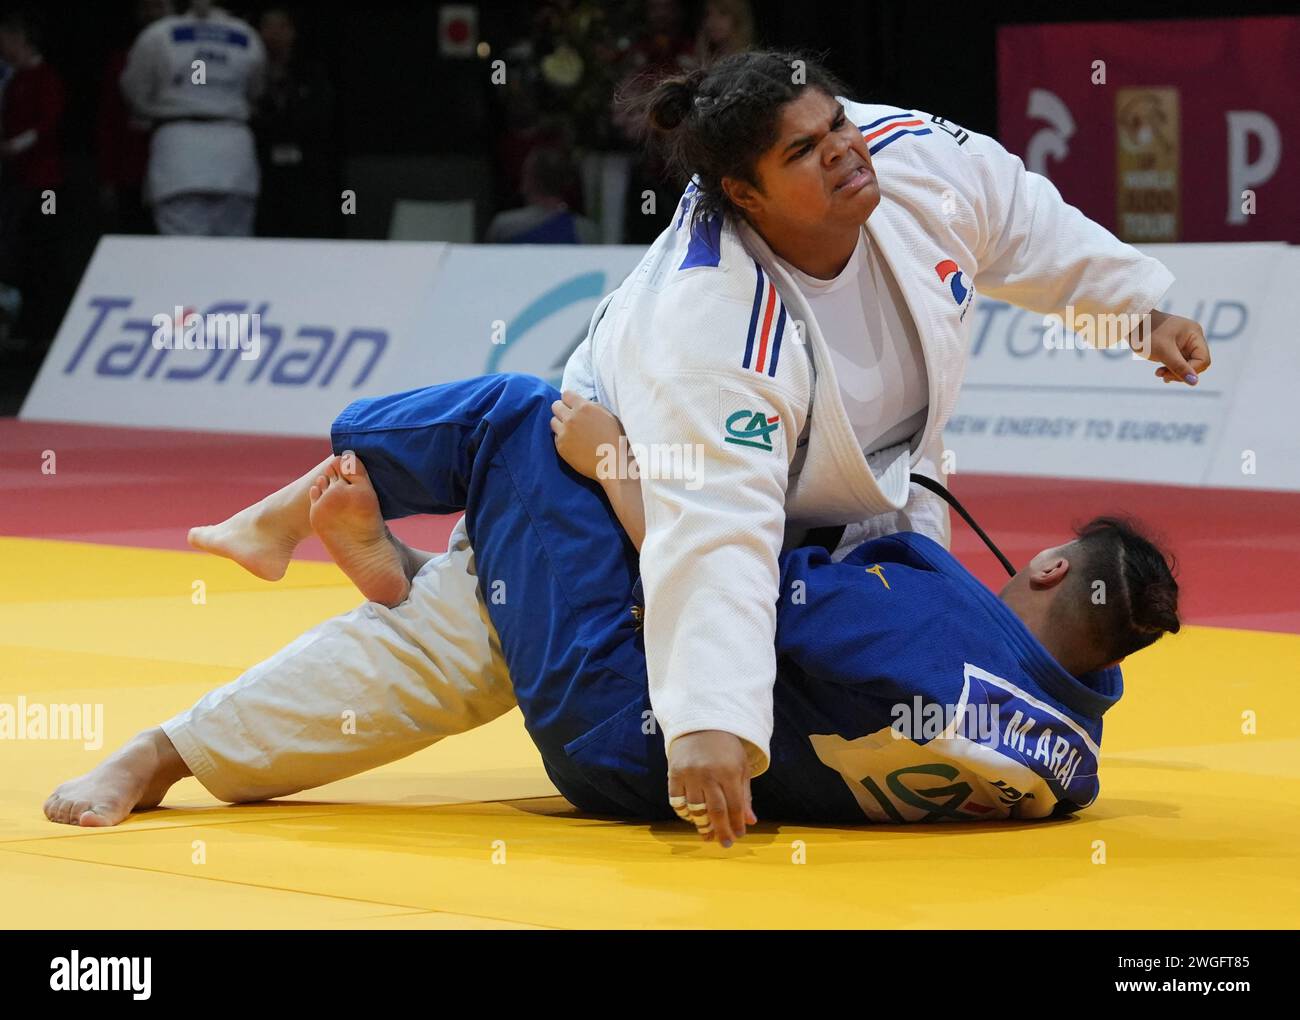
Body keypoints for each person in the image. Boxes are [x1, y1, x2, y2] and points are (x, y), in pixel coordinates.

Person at [56, 50, 1213, 848]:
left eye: (838, 126)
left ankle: (350, 535)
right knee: (456, 651)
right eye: (807, 153)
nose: (846, 155)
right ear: (743, 195)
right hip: (628, 459)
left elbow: (1026, 227)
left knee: (472, 602)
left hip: (842, 492)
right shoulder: (711, 317)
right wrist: (714, 723)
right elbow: (712, 529)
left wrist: (1133, 310)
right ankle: (172, 749)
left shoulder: (913, 161)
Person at [44, 374, 1181, 840]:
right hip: (665, 742)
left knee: (525, 414)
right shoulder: (1069, 761)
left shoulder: (926, 626)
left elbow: (720, 594)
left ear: (1041, 567)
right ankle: (357, 570)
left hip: (633, 729)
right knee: (466, 617)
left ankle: (310, 513)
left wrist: (619, 462)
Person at [119, 0, 266, 236]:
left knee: (183, 256)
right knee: (234, 255)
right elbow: (256, 92)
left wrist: (167, 107)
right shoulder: (246, 36)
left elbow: (134, 92)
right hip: (233, 154)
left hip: (179, 153)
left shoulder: (159, 34)